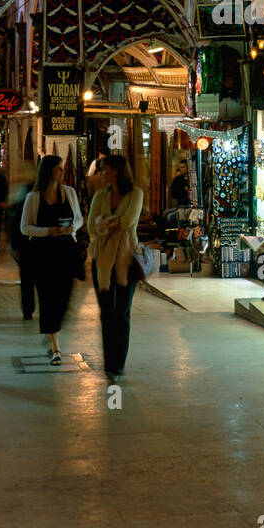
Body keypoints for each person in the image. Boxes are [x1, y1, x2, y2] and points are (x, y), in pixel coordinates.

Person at [21, 155, 82, 364]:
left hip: (66, 251)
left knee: (64, 297)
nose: (62, 172)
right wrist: (49, 231)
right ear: (48, 171)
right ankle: (55, 346)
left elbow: (79, 218)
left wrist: (72, 228)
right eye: (58, 168)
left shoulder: (69, 193)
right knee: (47, 298)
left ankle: (52, 330)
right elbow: (25, 227)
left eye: (62, 168)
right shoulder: (34, 198)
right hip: (43, 253)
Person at [88, 154, 144, 382]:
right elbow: (91, 224)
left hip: (126, 261)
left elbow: (127, 221)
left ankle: (117, 363)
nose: (102, 173)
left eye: (105, 169)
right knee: (106, 314)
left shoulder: (135, 194)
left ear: (117, 171)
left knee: (122, 312)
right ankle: (109, 363)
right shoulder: (101, 195)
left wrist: (105, 222)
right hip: (101, 261)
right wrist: (108, 223)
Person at [8, 160, 37, 320]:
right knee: (32, 278)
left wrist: (15, 245)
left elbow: (16, 221)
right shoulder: (30, 191)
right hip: (34, 241)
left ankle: (28, 310)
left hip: (26, 242)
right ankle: (30, 309)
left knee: (27, 279)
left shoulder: (24, 192)